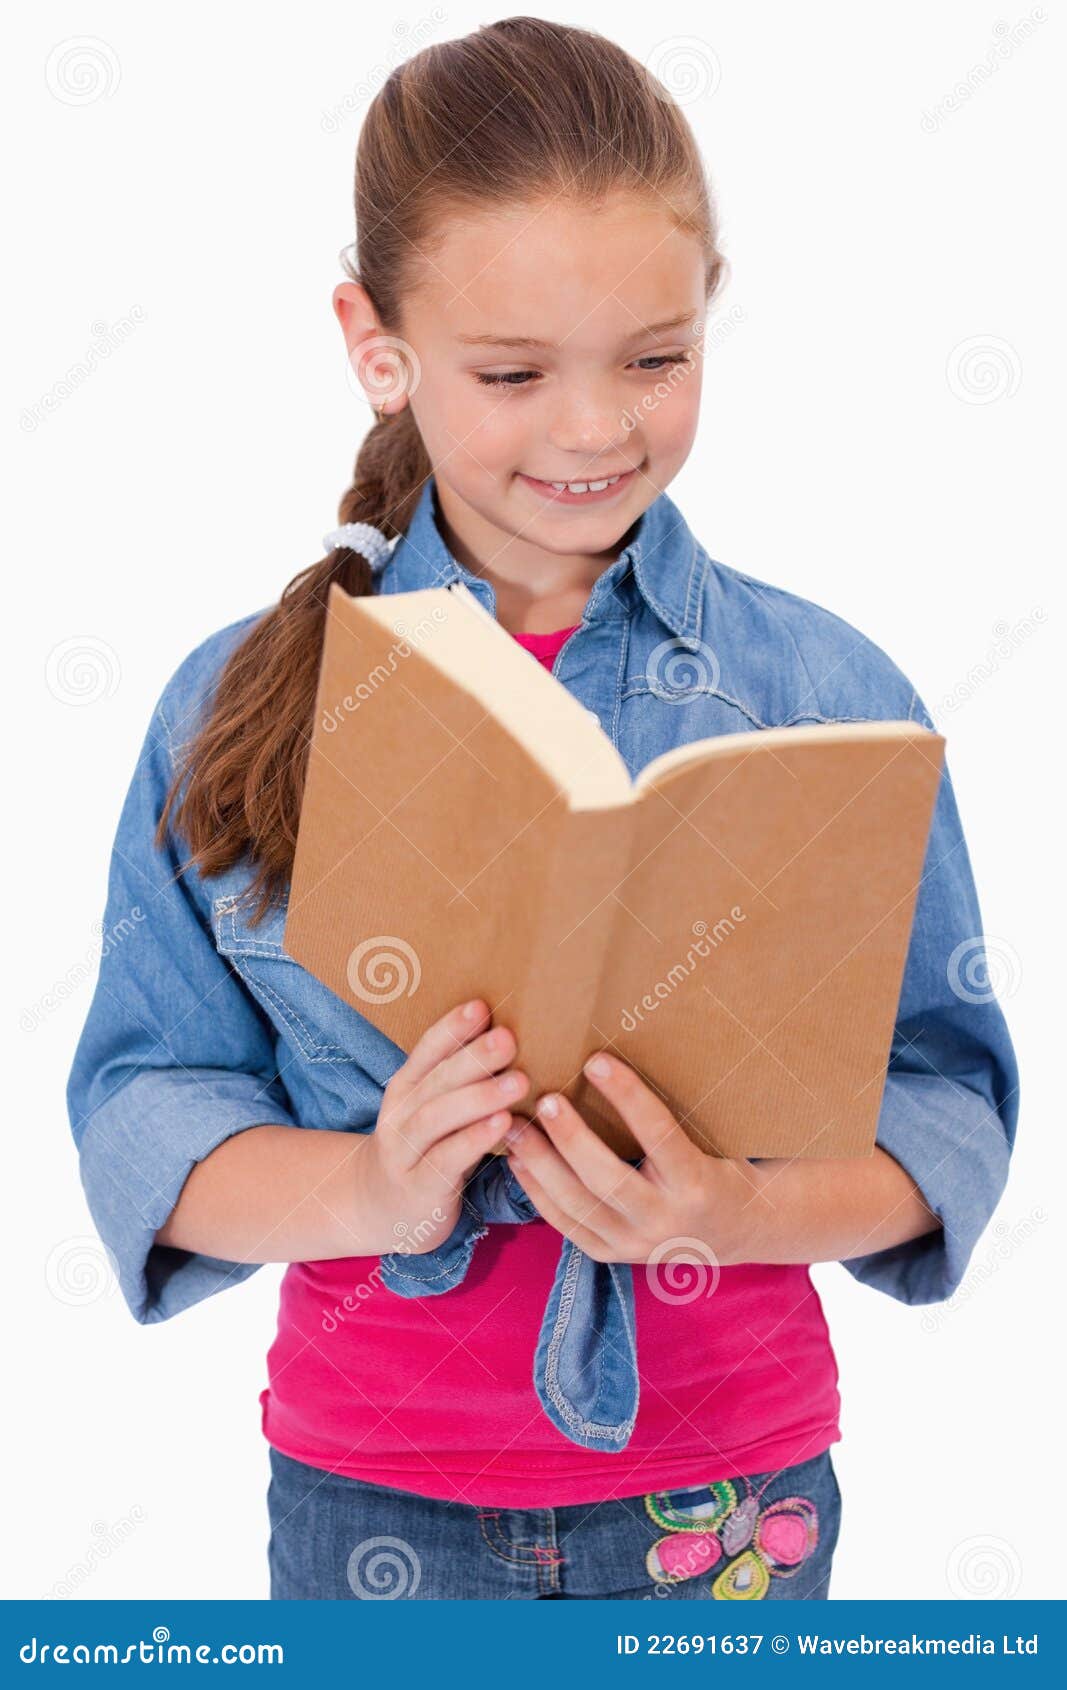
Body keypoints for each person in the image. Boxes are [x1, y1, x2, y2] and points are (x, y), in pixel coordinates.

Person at [66, 16, 1019, 1602]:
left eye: (657, 358)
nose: (594, 431)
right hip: (374, 1485)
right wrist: (374, 1183)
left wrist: (737, 1208)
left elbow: (946, 1100)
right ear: (377, 344)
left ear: (711, 312)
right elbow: (147, 1103)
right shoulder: (240, 706)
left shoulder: (827, 690)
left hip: (728, 1485)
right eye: (512, 374)